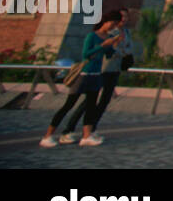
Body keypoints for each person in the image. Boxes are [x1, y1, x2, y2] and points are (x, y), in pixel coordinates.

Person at [40, 15, 123, 147]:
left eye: (115, 25)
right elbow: (86, 54)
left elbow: (107, 54)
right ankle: (47, 136)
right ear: (105, 22)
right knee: (69, 104)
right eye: (112, 24)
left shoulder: (107, 38)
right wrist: (102, 45)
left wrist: (113, 45)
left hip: (96, 75)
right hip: (84, 74)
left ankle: (86, 136)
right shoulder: (92, 36)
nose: (113, 27)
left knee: (91, 107)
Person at [60, 8, 134, 140]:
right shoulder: (110, 32)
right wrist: (118, 48)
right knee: (88, 103)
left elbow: (129, 48)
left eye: (126, 17)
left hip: (115, 69)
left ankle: (91, 129)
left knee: (104, 101)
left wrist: (121, 50)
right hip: (103, 68)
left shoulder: (126, 32)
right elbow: (108, 49)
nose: (124, 20)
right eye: (121, 17)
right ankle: (69, 129)